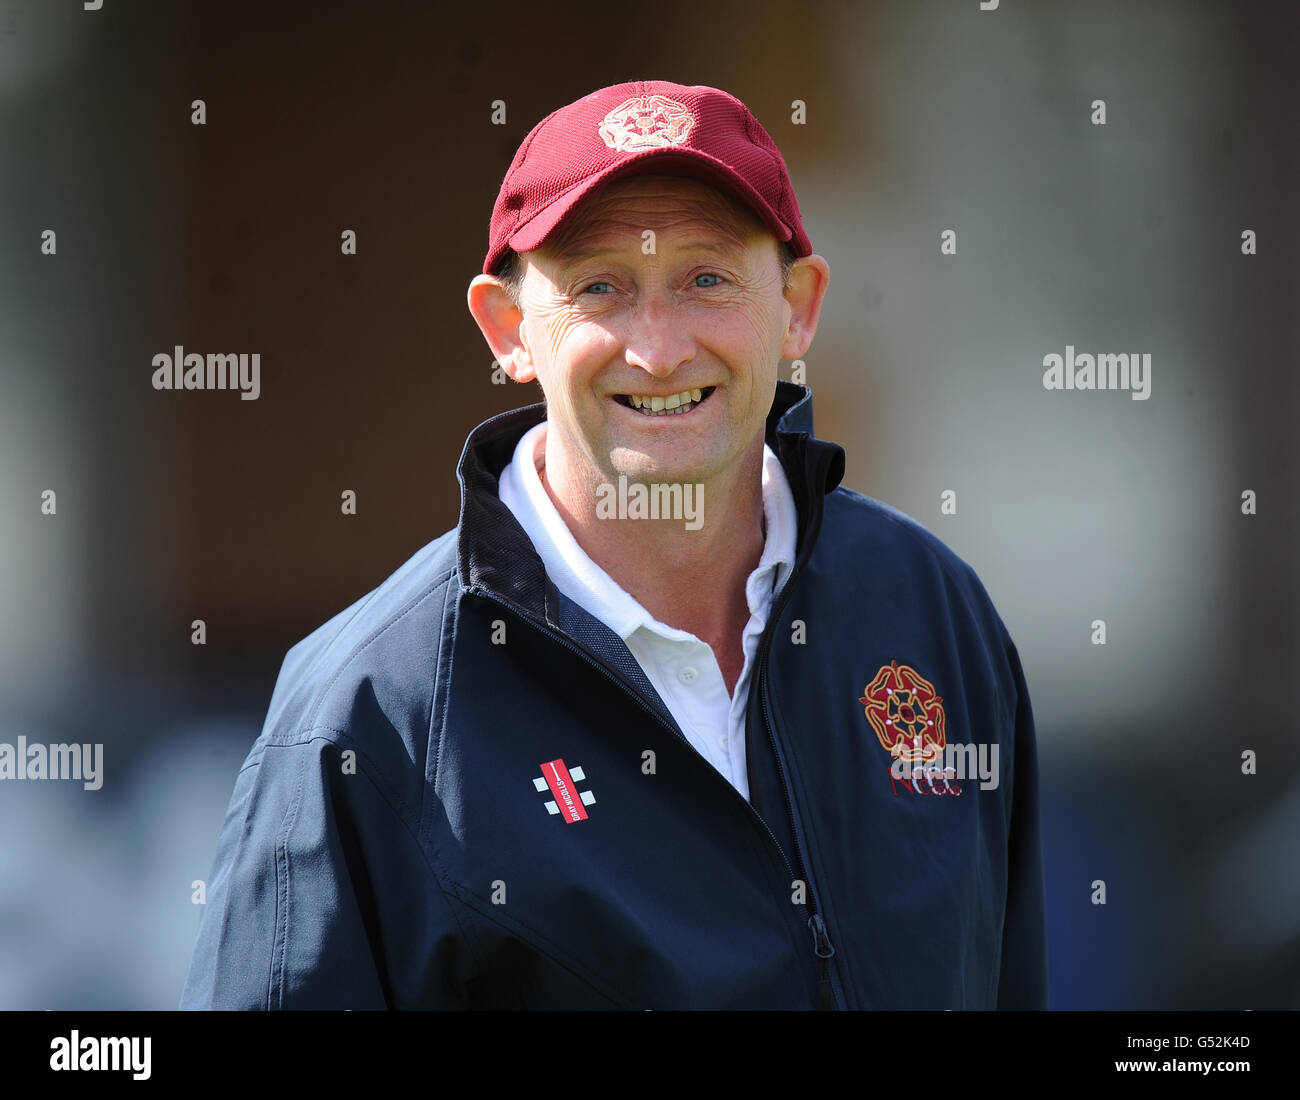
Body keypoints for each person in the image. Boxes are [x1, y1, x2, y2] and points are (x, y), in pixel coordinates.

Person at [180, 79, 1047, 1010]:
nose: (661, 347)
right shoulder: (368, 709)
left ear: (797, 308)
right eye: (602, 287)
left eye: (706, 278)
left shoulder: (931, 610)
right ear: (509, 329)